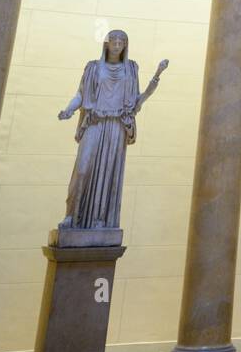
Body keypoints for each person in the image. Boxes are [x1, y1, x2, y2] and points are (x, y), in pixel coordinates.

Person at [58, 30, 167, 230]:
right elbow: (81, 95)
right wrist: (69, 110)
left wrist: (156, 78)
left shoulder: (131, 69)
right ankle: (71, 216)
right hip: (94, 122)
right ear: (106, 44)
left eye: (121, 42)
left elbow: (136, 100)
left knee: (108, 174)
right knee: (82, 170)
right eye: (114, 42)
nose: (117, 45)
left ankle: (100, 220)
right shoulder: (93, 68)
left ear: (125, 46)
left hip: (116, 125)